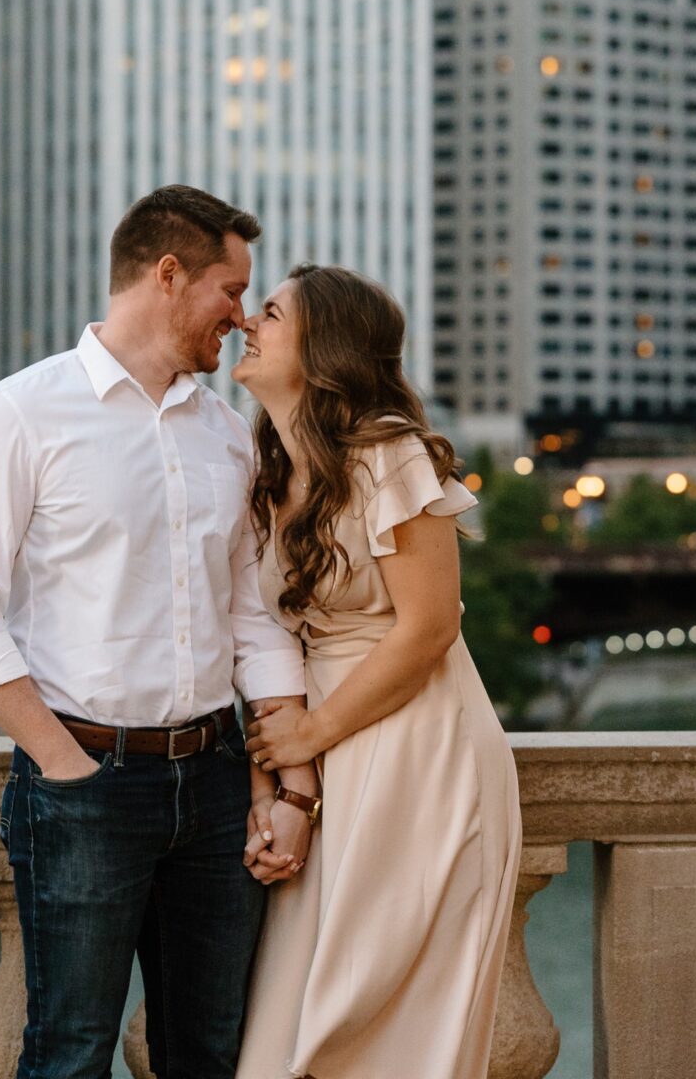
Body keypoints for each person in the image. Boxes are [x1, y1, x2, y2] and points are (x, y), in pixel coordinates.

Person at [0, 186, 320, 1079]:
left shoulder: (228, 435)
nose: (241, 316)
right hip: (82, 784)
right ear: (167, 274)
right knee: (69, 1056)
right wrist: (62, 764)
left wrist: (290, 790)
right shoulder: (19, 412)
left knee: (210, 1056)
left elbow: (251, 617)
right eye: (230, 290)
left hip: (217, 786)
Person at [231, 263, 521, 1079]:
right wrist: (281, 780)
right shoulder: (268, 470)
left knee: (384, 1022)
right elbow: (260, 638)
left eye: (271, 313)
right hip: (322, 753)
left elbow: (429, 627)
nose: (247, 323)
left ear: (323, 346)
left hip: (418, 747)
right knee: (290, 1020)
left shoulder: (390, 454)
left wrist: (311, 733)